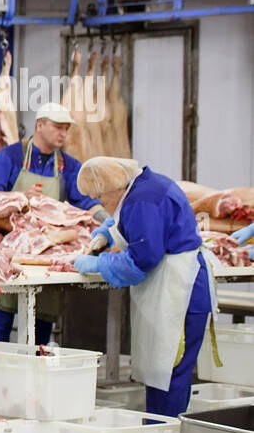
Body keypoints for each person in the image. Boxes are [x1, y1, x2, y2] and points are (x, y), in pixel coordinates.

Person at [72, 157, 217, 417]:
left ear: (112, 187)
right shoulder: (143, 185)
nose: (101, 204)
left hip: (179, 292)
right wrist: (108, 231)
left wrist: (99, 264)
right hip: (175, 287)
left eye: (101, 198)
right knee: (162, 371)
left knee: (168, 371)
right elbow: (128, 219)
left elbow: (142, 259)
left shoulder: (143, 200)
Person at [0, 102, 108, 344]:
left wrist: (109, 223)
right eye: (58, 127)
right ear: (39, 125)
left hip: (45, 253)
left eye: (66, 129)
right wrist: (17, 198)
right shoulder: (10, 157)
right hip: (9, 252)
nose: (63, 134)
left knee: (41, 333)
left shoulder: (69, 166)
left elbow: (88, 203)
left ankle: (34, 377)